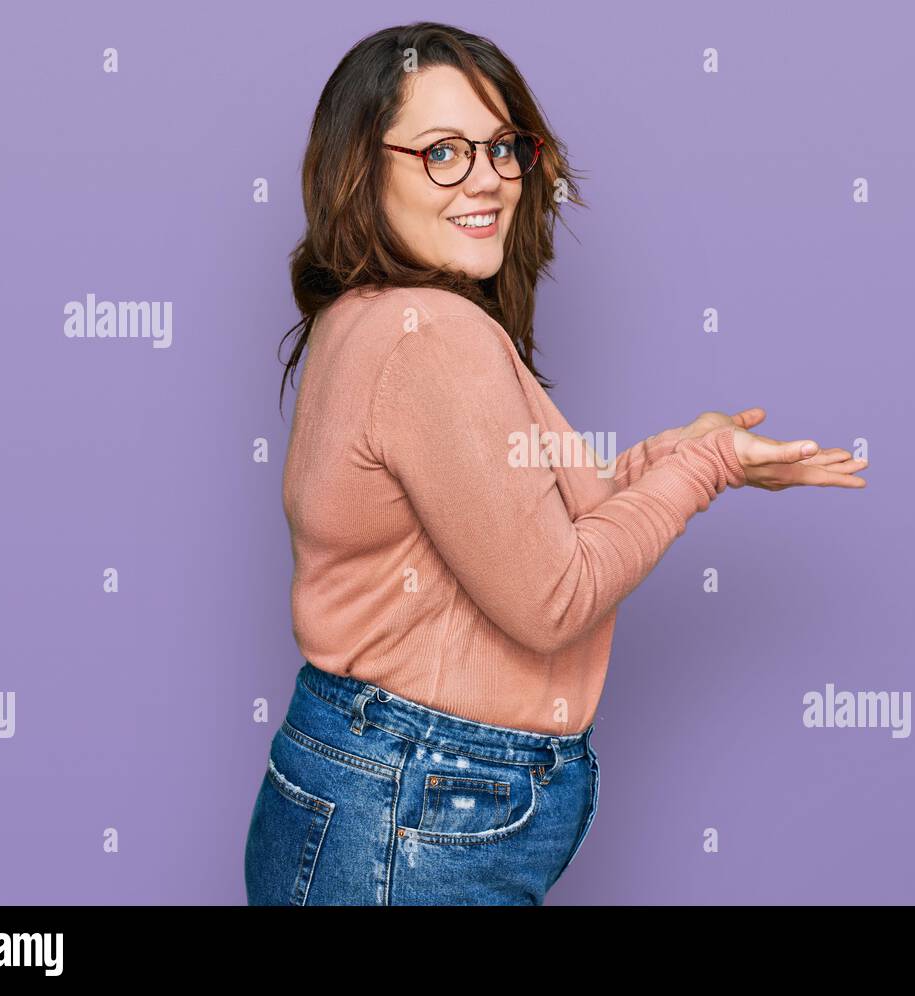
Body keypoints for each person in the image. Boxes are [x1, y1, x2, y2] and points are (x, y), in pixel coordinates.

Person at [243, 21, 868, 906]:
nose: (489, 178)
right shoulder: (435, 340)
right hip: (417, 802)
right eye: (444, 152)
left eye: (504, 147)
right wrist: (705, 470)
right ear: (361, 167)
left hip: (370, 779)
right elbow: (552, 596)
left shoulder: (369, 318)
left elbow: (513, 514)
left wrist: (693, 449)